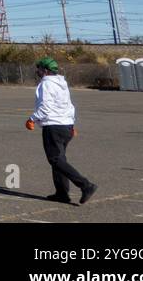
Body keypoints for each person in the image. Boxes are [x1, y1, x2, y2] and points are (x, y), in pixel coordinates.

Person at [28, 57, 97, 204]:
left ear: (45, 71)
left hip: (53, 126)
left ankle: (85, 185)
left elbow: (45, 108)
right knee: (59, 160)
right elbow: (69, 105)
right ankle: (61, 193)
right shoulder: (62, 83)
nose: (37, 71)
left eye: (39, 68)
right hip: (65, 125)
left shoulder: (45, 84)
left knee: (55, 159)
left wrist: (32, 119)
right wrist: (71, 125)